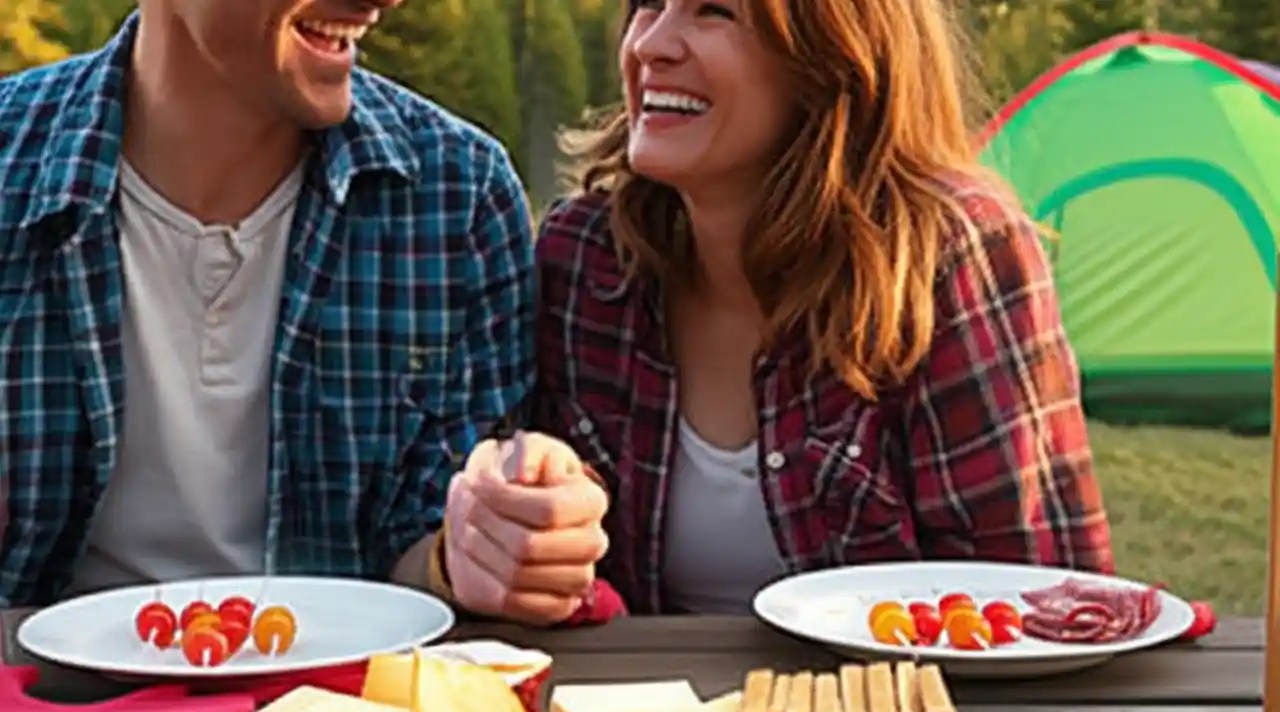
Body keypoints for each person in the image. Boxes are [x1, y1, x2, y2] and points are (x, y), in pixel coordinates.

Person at [434, 0, 1115, 624]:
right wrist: (533, 522)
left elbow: (1042, 606)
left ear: (831, 57)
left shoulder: (950, 257)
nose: (652, 44)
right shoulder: (584, 257)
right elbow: (565, 595)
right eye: (647, 4)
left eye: (713, 12)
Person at [0, 0, 563, 608]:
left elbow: (422, 538)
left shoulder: (460, 197)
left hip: (339, 693)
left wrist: (478, 546)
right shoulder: (13, 164)